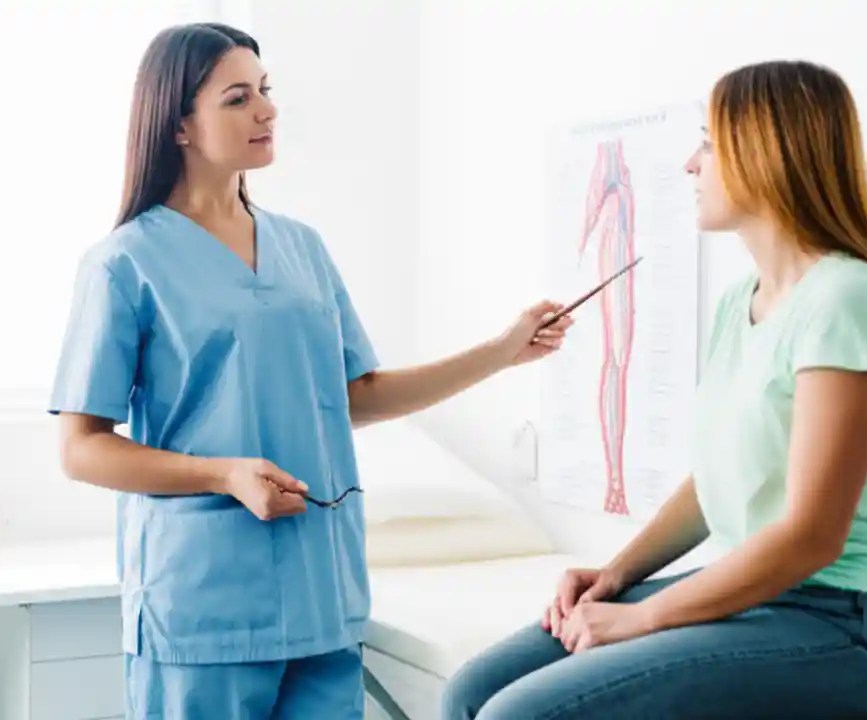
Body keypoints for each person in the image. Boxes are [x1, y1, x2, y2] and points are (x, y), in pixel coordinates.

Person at [47, 22, 573, 720]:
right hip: (204, 607)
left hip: (323, 593)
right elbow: (82, 449)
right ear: (178, 125)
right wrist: (222, 473)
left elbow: (357, 395)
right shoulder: (124, 263)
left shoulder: (302, 249)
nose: (266, 110)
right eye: (238, 98)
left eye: (265, 91)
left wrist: (503, 350)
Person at [443, 59, 867, 719]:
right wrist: (617, 576)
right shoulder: (740, 303)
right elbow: (713, 483)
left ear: (765, 151)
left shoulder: (847, 299)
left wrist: (644, 620)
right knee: (469, 693)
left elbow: (813, 537)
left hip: (844, 624)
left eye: (708, 141)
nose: (691, 164)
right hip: (758, 598)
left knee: (518, 715)